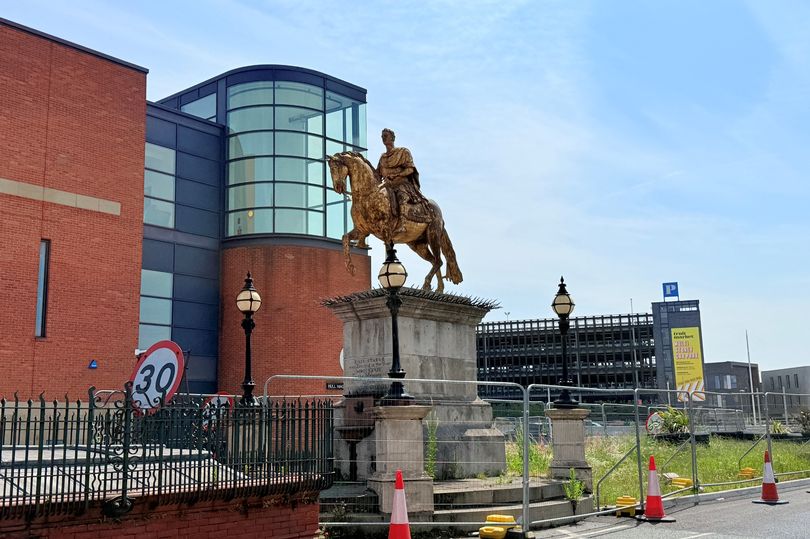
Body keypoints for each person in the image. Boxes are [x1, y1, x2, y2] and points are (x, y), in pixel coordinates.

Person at [376, 128, 430, 233]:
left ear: (392, 138)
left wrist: (397, 175)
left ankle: (403, 223)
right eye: (382, 136)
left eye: (385, 135)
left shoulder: (403, 152)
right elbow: (377, 174)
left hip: (402, 184)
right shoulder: (382, 157)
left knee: (401, 196)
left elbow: (410, 169)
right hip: (386, 185)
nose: (383, 138)